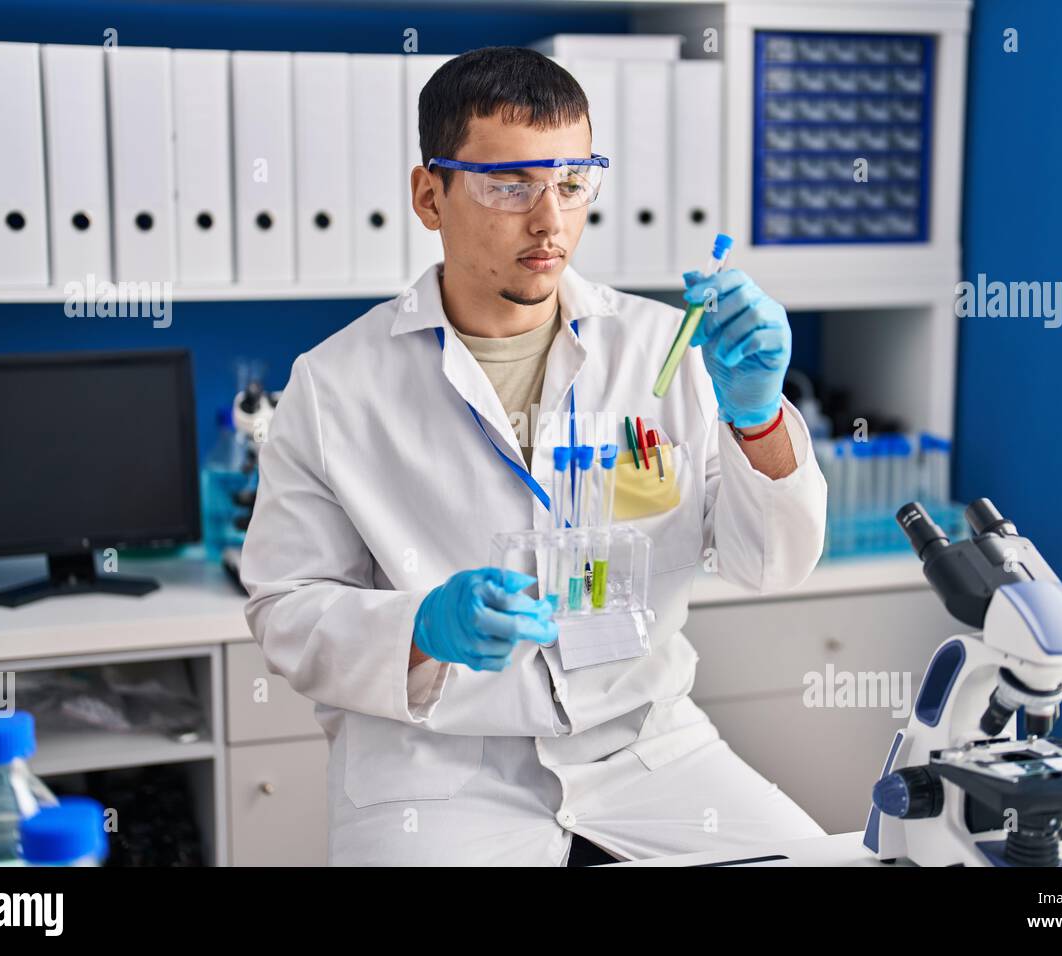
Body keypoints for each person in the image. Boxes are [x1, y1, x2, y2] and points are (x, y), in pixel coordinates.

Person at [241, 46, 829, 866]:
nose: (551, 220)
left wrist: (759, 417)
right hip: (438, 768)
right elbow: (286, 609)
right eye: (511, 185)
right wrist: (421, 627)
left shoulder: (664, 350)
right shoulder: (335, 385)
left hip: (645, 752)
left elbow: (772, 566)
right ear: (429, 195)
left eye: (573, 181)